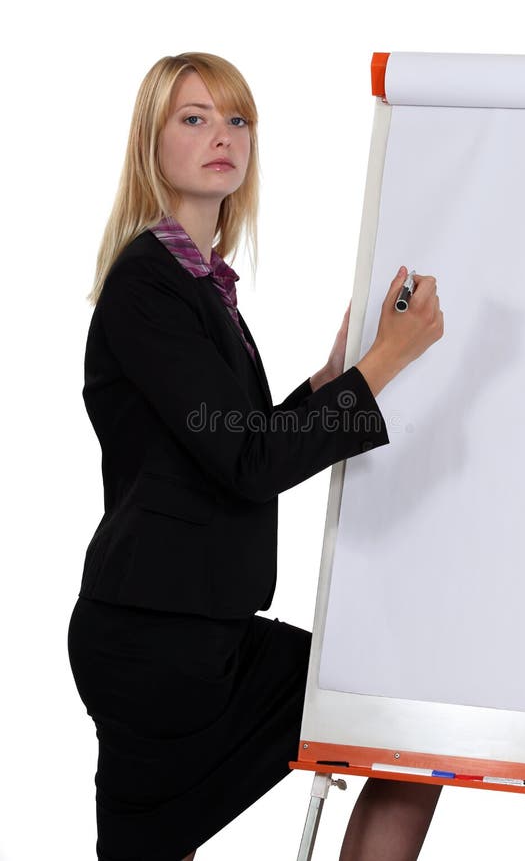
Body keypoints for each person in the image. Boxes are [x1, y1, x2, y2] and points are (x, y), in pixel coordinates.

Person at [66, 51, 444, 861]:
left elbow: (230, 439)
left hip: (199, 633)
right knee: (397, 721)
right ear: (151, 142)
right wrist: (386, 366)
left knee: (405, 727)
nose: (222, 135)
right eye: (194, 118)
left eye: (237, 119)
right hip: (158, 641)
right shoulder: (148, 284)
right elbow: (248, 459)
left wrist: (334, 375)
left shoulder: (198, 285)